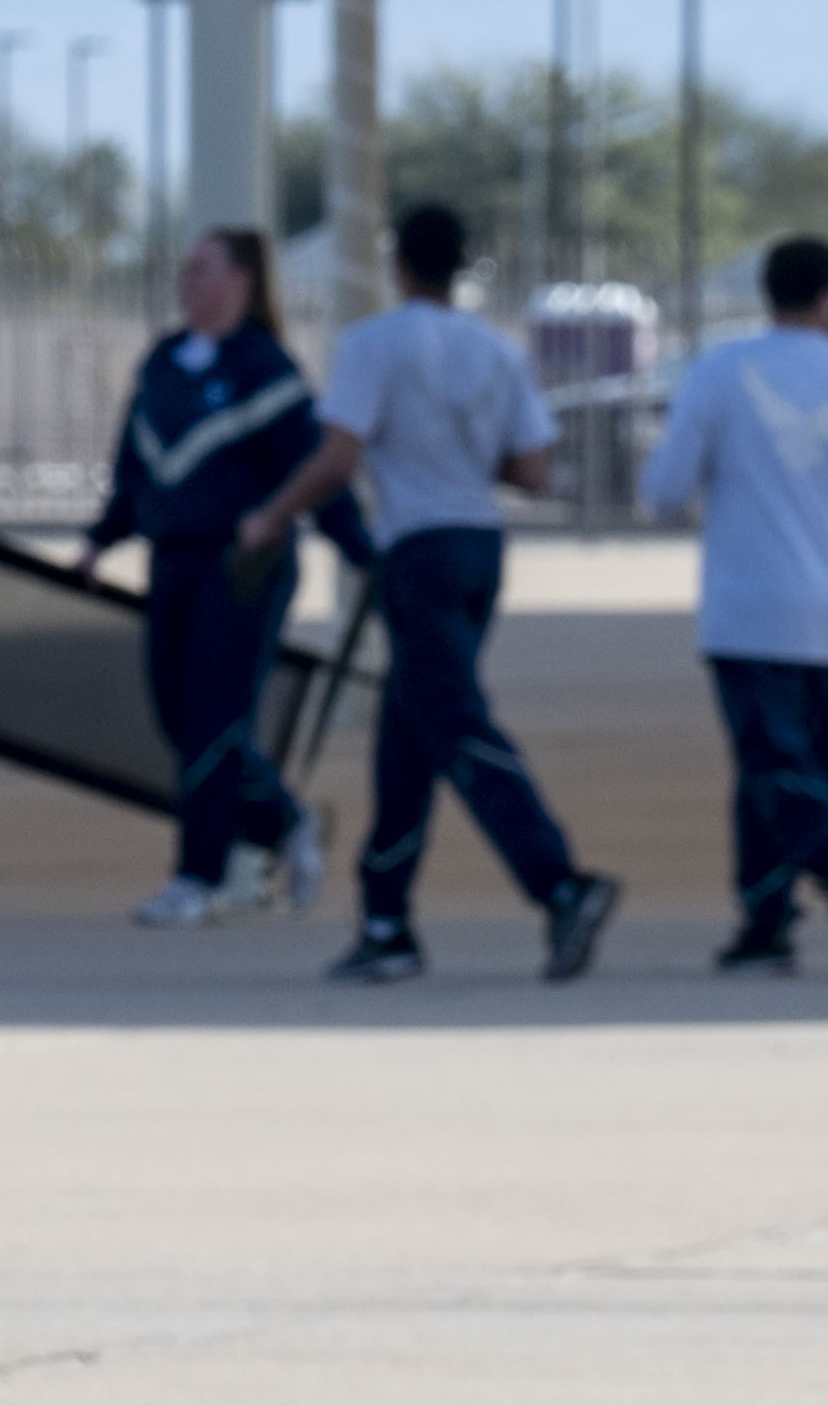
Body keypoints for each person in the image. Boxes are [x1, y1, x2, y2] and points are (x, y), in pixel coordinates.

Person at [240, 202, 616, 988]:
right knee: (409, 733)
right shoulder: (496, 349)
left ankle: (559, 882)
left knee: (455, 725)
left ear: (397, 264)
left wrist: (274, 512)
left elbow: (338, 456)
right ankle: (386, 918)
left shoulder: (374, 344)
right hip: (481, 546)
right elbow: (534, 469)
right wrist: (461, 452)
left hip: (417, 549)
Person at [641, 234, 828, 976]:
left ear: (767, 293)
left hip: (746, 613)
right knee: (796, 771)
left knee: (772, 771)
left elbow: (665, 488)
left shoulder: (721, 372)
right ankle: (765, 922)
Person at [80, 225, 367, 922]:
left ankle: (196, 879)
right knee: (177, 715)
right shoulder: (161, 363)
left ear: (243, 280)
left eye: (205, 270)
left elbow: (314, 470)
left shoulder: (264, 367)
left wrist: (363, 550)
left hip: (244, 568)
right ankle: (285, 823)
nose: (190, 282)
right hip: (172, 560)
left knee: (214, 716)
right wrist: (100, 541)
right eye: (187, 271)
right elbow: (132, 472)